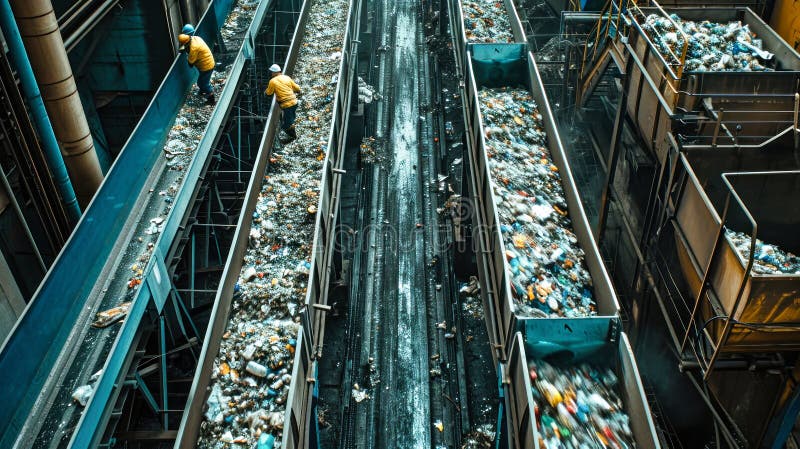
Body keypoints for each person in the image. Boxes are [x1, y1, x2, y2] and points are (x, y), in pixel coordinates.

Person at [265, 64, 301, 142]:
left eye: (271, 72)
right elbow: (297, 88)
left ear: (274, 72)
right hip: (294, 102)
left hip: (287, 105)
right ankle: (293, 135)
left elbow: (268, 93)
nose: (271, 74)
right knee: (290, 119)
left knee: (286, 125)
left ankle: (294, 137)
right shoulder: (286, 77)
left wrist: (265, 93)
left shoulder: (272, 81)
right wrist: (297, 91)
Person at [178, 32, 216, 105]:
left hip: (206, 66)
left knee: (203, 84)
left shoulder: (193, 48)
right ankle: (202, 91)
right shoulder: (196, 38)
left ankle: (212, 100)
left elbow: (190, 63)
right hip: (208, 62)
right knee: (201, 81)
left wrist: (186, 54)